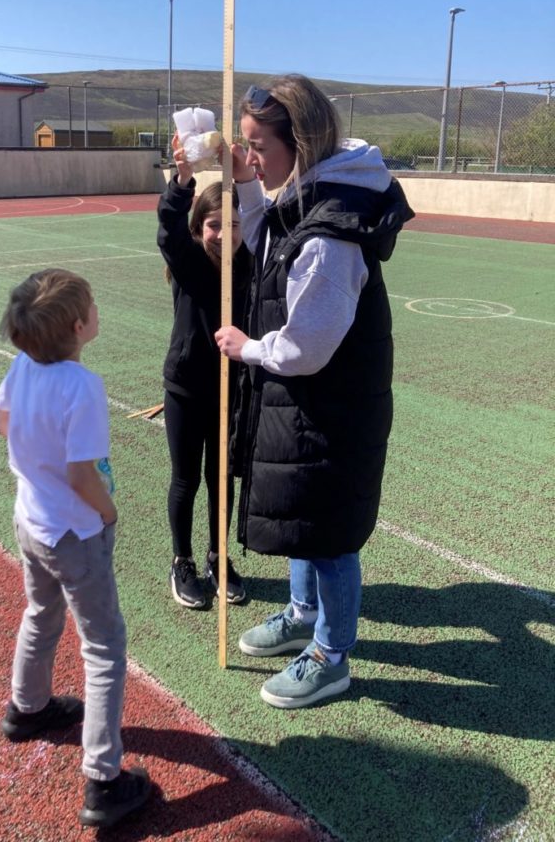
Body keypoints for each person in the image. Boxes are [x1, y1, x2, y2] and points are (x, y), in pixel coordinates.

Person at [215, 76, 414, 709]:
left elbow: (305, 349)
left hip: (330, 406)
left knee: (328, 534)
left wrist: (247, 348)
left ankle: (331, 656)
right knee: (304, 516)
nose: (251, 160)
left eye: (257, 149)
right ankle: (302, 614)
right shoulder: (306, 194)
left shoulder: (330, 236)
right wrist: (241, 180)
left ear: (298, 143)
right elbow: (263, 233)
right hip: (305, 403)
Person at [0, 268, 150, 828]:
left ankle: (26, 707)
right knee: (104, 648)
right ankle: (104, 779)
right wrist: (107, 512)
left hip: (31, 521)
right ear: (79, 326)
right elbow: (82, 473)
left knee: (40, 613)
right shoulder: (81, 387)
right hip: (76, 533)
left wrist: (36, 462)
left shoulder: (22, 366)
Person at [157, 144, 252, 608]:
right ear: (200, 228)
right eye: (215, 225)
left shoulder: (248, 266)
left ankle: (219, 556)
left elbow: (269, 230)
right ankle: (183, 561)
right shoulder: (189, 261)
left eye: (233, 225)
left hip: (229, 389)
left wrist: (244, 175)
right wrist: (182, 180)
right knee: (186, 480)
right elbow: (167, 234)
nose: (224, 234)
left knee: (222, 477)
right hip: (186, 388)